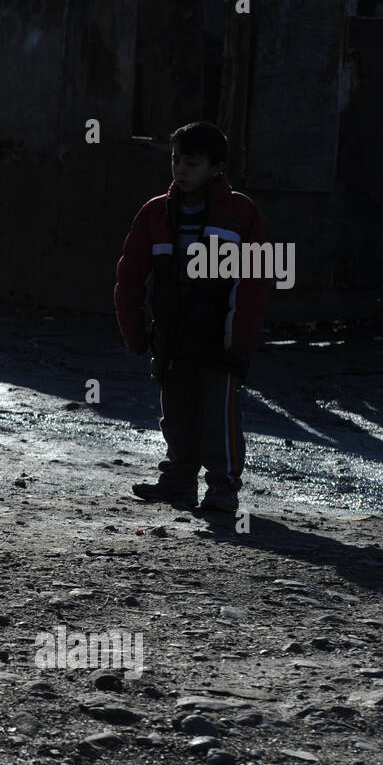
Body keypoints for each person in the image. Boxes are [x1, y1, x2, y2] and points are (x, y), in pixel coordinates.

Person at [114, 121, 270, 514]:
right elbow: (130, 274)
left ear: (216, 168)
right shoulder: (155, 213)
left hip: (220, 337)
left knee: (220, 416)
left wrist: (240, 341)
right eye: (176, 160)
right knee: (177, 413)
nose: (181, 170)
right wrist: (136, 333)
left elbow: (256, 281)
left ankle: (222, 490)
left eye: (192, 163)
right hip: (173, 335)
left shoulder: (240, 214)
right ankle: (178, 483)